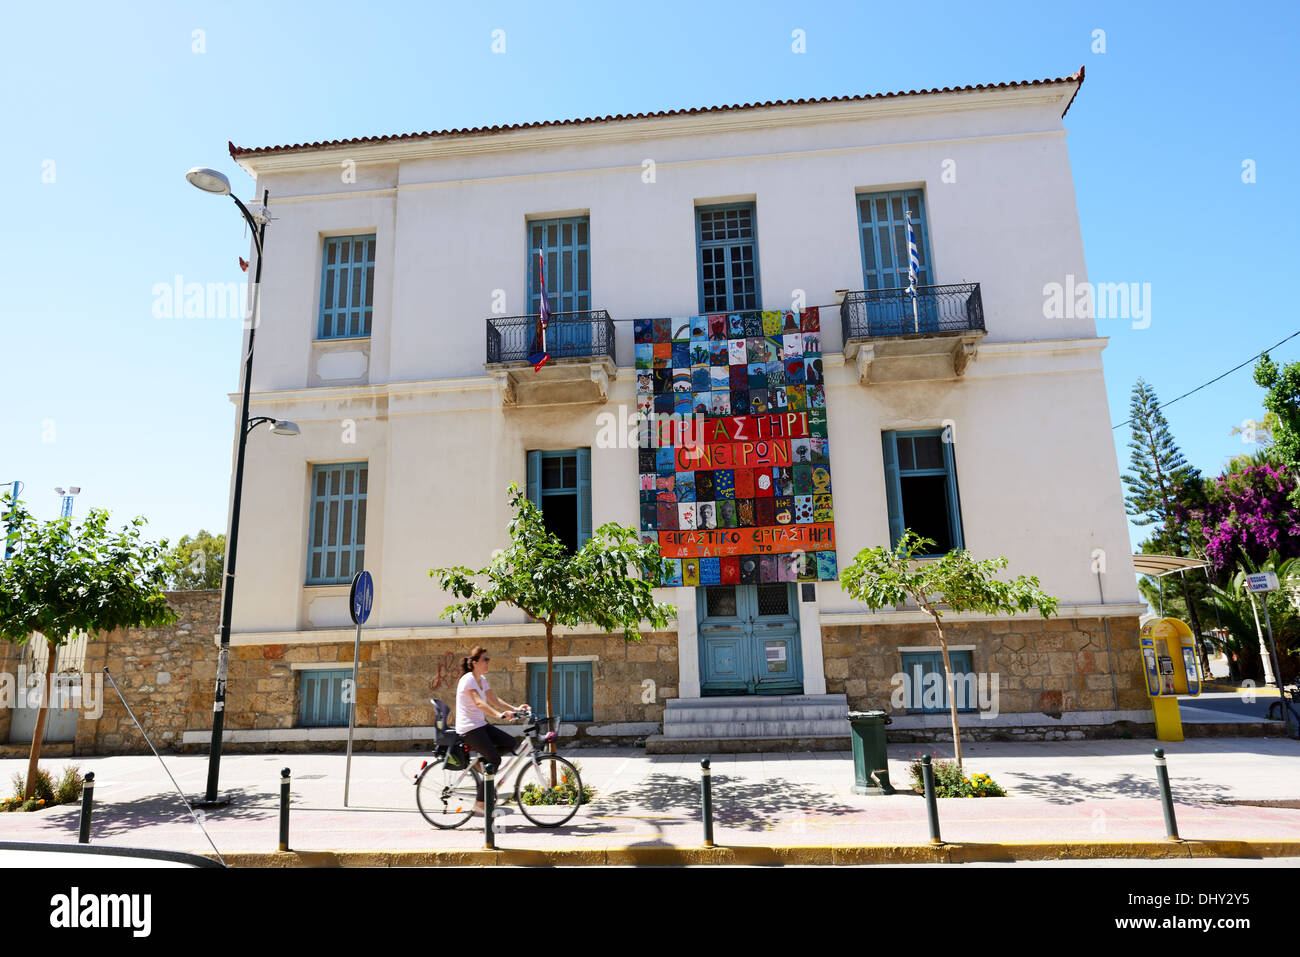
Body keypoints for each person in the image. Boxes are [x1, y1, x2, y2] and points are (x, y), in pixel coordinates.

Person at [456, 646, 528, 815]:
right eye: (485, 660)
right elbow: (479, 703)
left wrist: (515, 709)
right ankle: (480, 804)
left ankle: (482, 762)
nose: (488, 662)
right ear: (474, 663)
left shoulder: (482, 679)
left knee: (511, 743)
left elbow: (494, 699)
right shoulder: (468, 680)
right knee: (494, 759)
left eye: (488, 659)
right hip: (469, 729)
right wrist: (499, 715)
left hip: (480, 725)